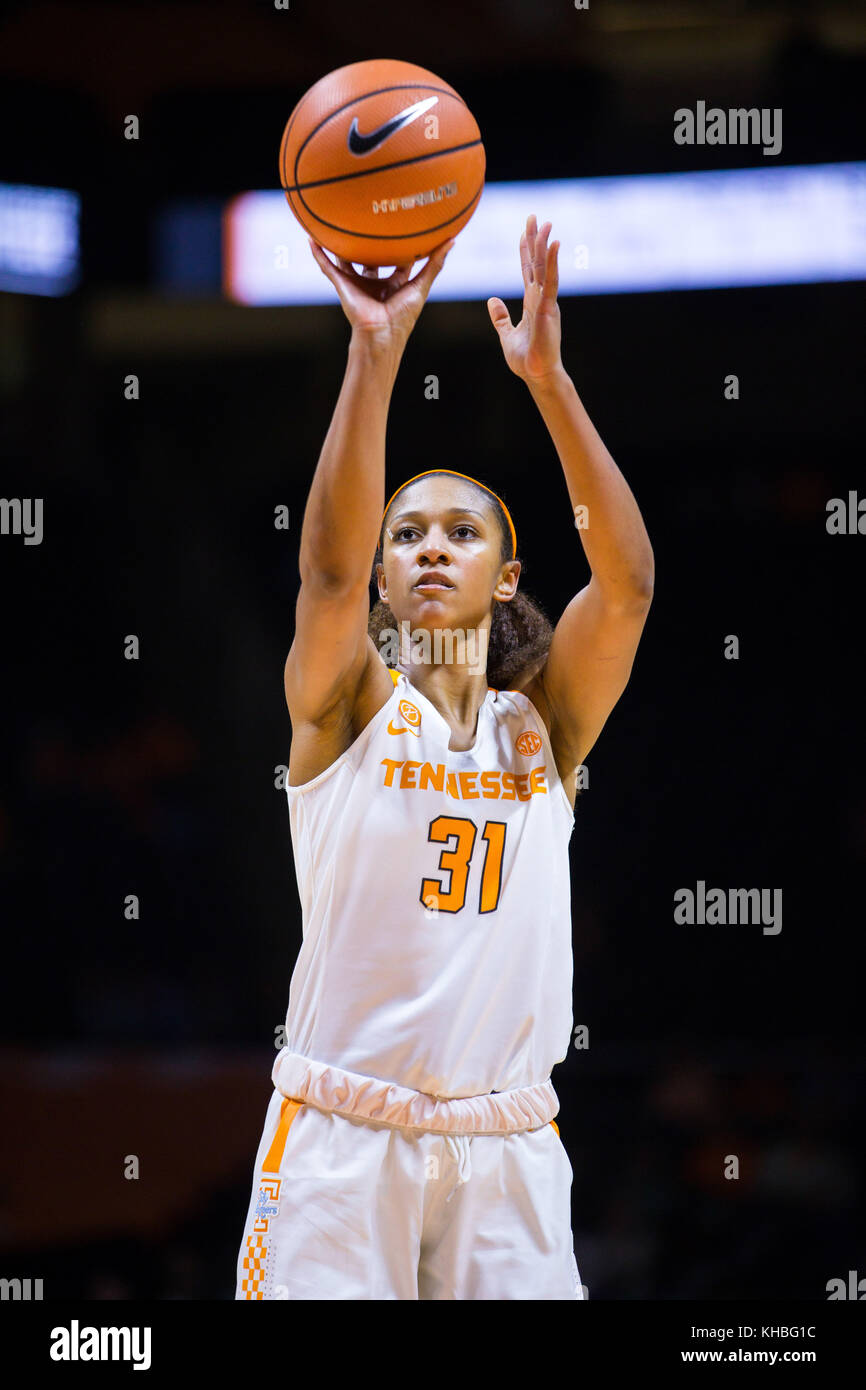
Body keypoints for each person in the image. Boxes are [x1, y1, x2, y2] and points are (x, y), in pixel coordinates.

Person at [235, 214, 654, 1300]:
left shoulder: (544, 727)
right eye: (406, 533)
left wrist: (549, 384)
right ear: (383, 576)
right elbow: (324, 576)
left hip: (504, 1144)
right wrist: (374, 352)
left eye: (461, 532)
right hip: (342, 1136)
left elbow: (627, 587)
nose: (429, 546)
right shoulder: (342, 710)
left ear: (506, 577)